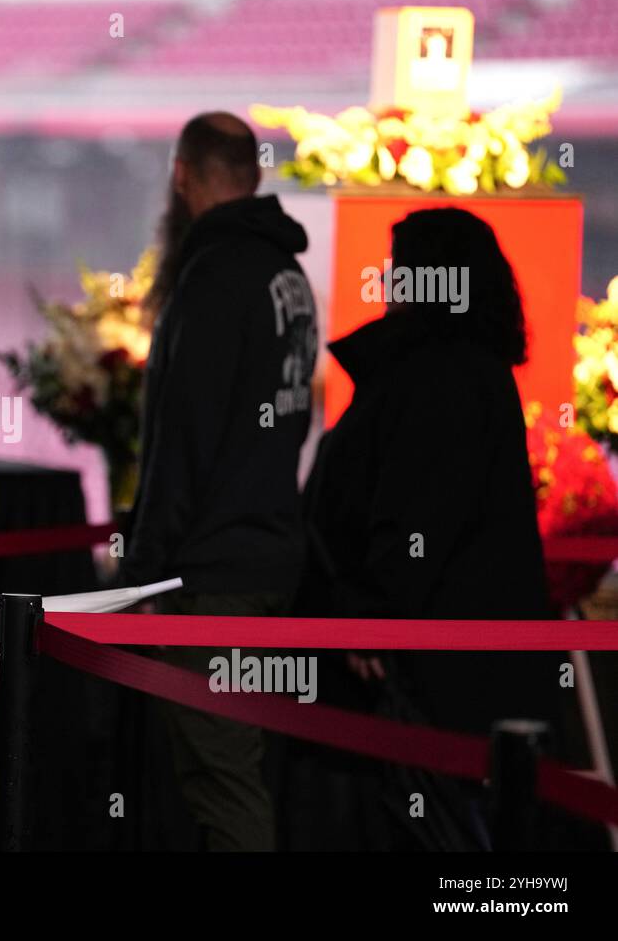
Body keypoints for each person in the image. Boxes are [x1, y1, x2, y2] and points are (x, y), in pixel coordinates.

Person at [119, 112, 318, 851]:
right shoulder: (285, 274)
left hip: (217, 575)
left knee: (223, 782)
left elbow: (183, 443)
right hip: (269, 553)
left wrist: (140, 574)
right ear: (256, 174)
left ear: (181, 174)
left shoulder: (215, 276)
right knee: (238, 764)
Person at [299, 207, 557, 735]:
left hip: (426, 678)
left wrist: (373, 617)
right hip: (445, 664)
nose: (388, 279)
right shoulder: (458, 370)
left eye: (400, 265)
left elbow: (419, 515)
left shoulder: (438, 377)